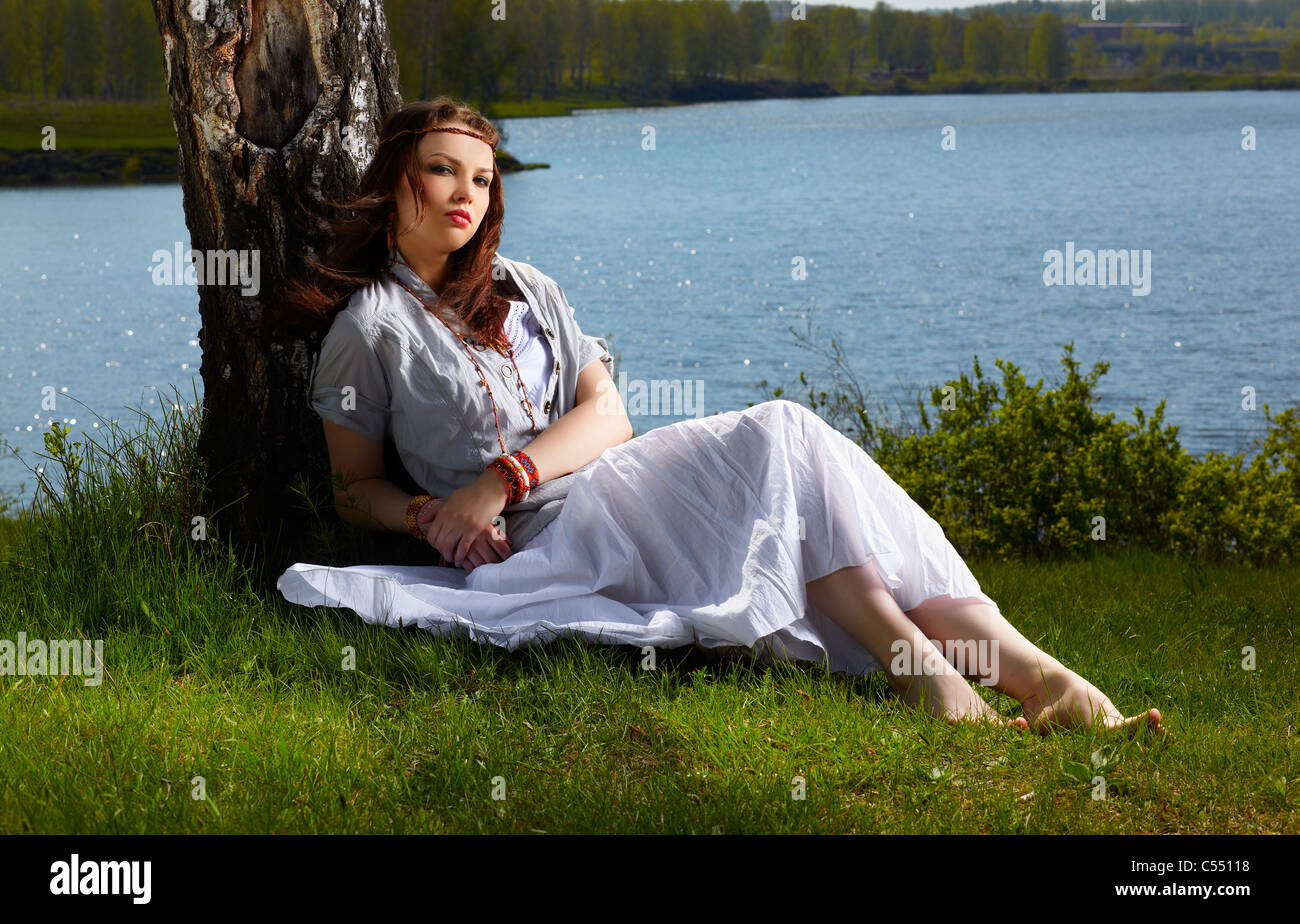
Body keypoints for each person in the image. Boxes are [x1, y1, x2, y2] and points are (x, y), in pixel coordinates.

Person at [274, 97, 1164, 736]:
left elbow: (610, 413)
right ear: (396, 177)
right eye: (442, 169)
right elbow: (354, 491)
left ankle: (1023, 679)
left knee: (799, 469)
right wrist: (435, 513)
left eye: (482, 175)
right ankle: (977, 683)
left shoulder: (526, 286)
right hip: (554, 536)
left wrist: (500, 476)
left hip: (603, 485)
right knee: (785, 445)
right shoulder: (370, 327)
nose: (466, 194)